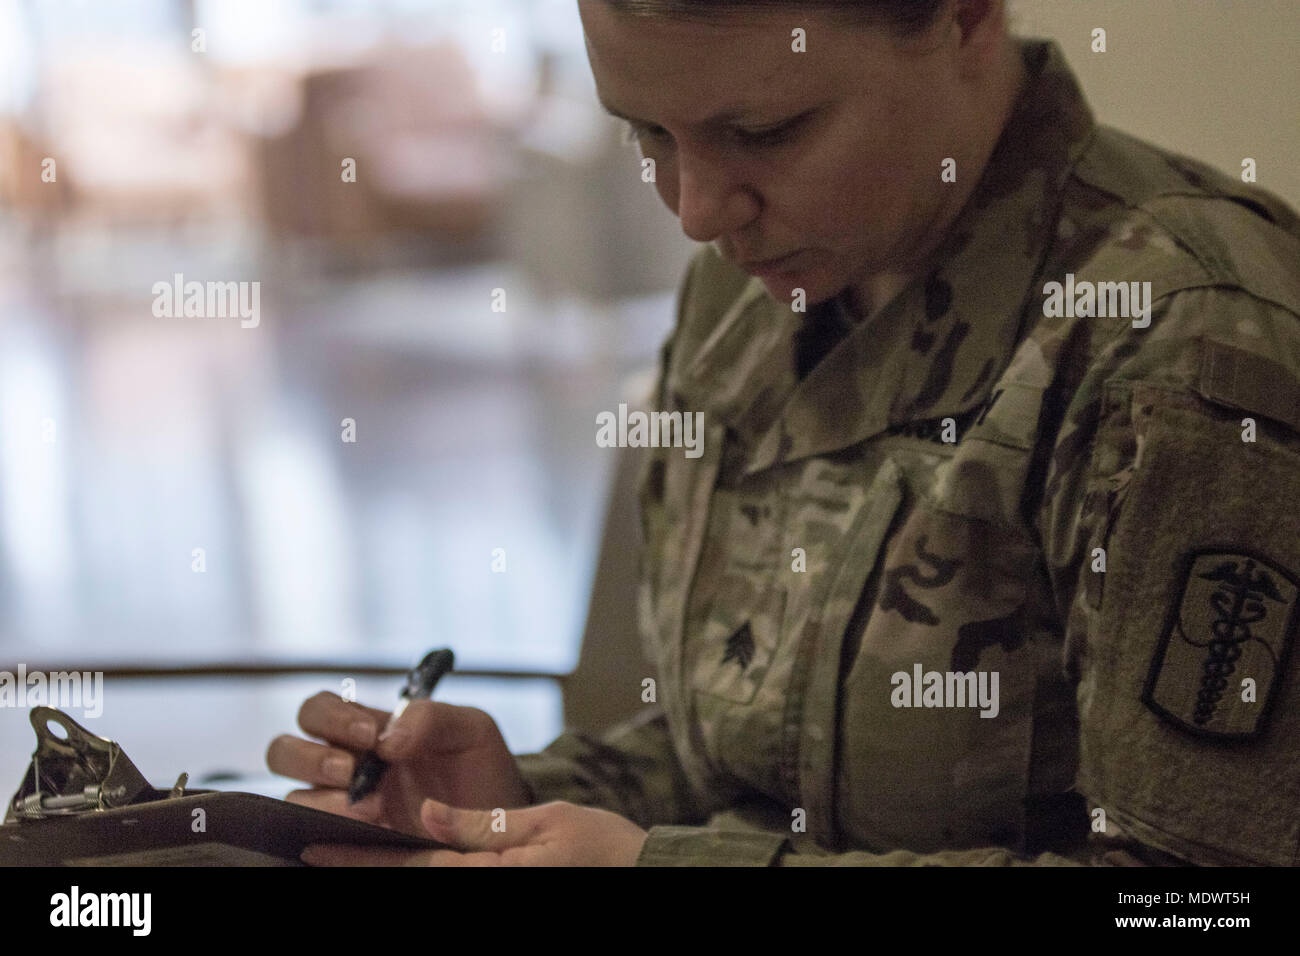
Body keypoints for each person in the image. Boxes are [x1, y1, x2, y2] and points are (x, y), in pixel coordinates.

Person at [266, 0, 1300, 866]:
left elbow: (1194, 897)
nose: (698, 211)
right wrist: (506, 804)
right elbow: (743, 754)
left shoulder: (1175, 340)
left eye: (763, 132)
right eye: (648, 135)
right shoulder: (749, 290)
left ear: (966, 17)